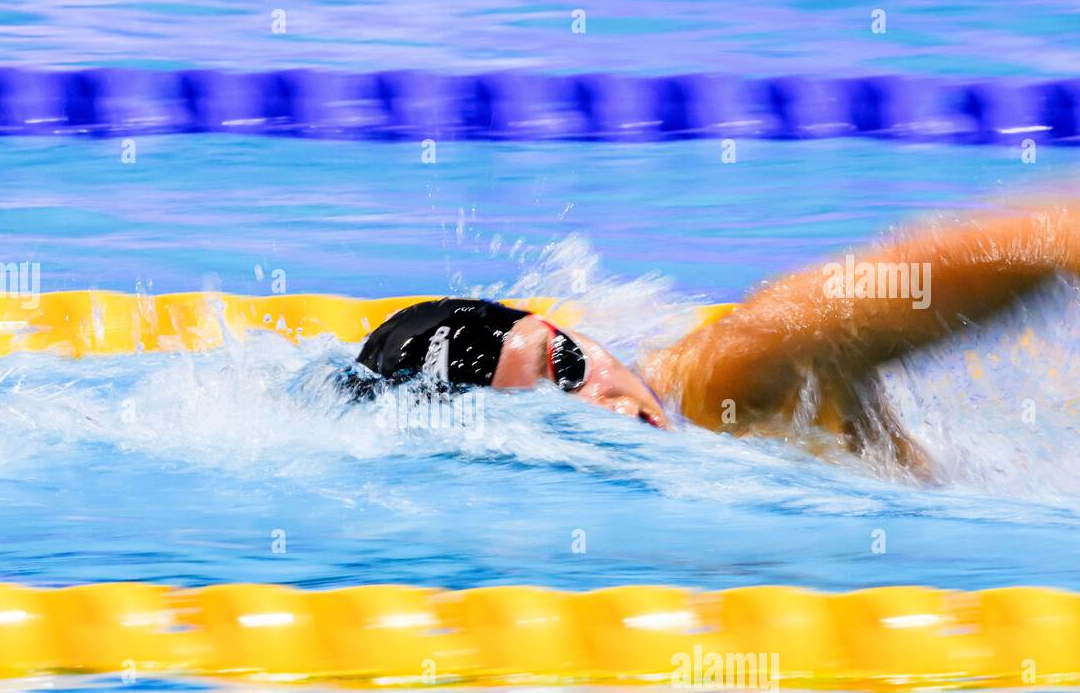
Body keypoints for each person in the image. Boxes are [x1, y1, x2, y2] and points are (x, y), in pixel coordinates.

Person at [351, 203, 1080, 469]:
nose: (604, 401)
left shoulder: (724, 374)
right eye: (551, 405)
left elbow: (1004, 247)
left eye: (567, 362)